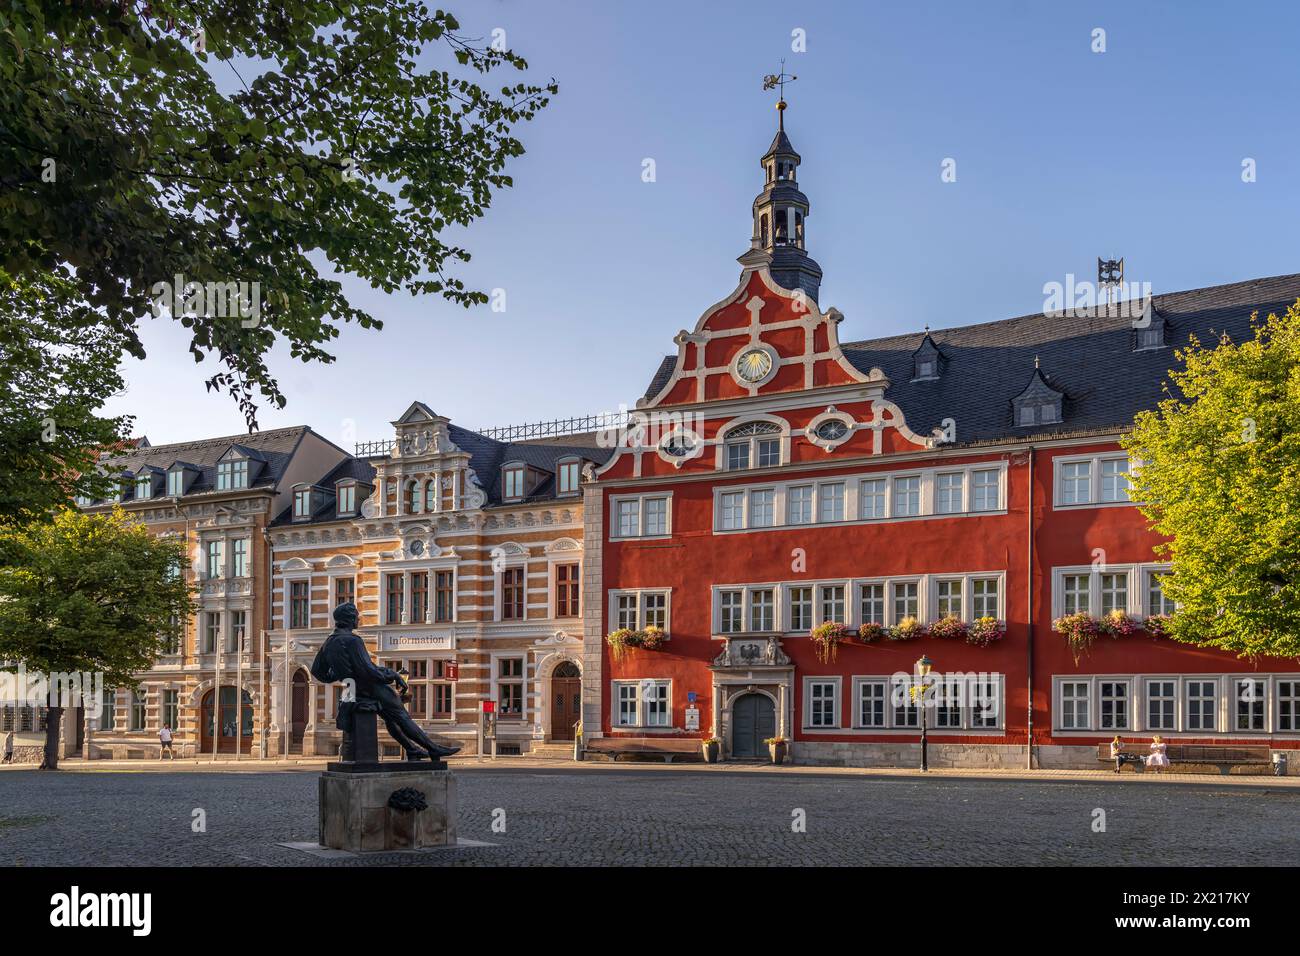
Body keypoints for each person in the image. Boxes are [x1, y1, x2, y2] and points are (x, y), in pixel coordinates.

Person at [311, 602, 460, 762]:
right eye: (356, 616)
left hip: (352, 689)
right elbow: (368, 671)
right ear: (349, 619)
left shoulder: (329, 642)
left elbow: (318, 671)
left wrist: (342, 674)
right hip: (370, 688)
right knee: (402, 717)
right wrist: (393, 676)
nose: (358, 619)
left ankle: (412, 749)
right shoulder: (353, 641)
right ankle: (433, 749)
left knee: (390, 718)